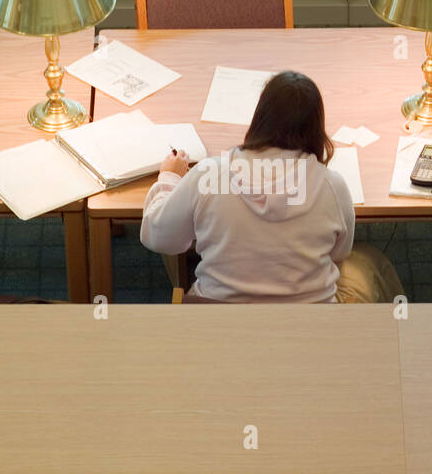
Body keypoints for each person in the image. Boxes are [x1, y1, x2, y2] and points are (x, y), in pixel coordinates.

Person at [139, 70, 402, 303]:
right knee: (367, 262)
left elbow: (160, 237)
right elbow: (339, 253)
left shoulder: (210, 174)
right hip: (310, 327)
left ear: (259, 117)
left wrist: (170, 179)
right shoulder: (333, 186)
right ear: (315, 128)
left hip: (221, 323)